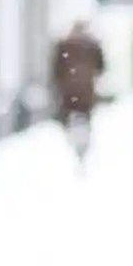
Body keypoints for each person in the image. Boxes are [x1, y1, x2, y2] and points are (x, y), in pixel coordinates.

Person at [51, 14, 105, 165]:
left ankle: (75, 147)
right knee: (85, 119)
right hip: (86, 91)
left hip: (69, 92)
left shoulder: (64, 45)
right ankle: (83, 149)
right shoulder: (91, 45)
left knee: (70, 119)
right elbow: (101, 67)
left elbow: (56, 70)